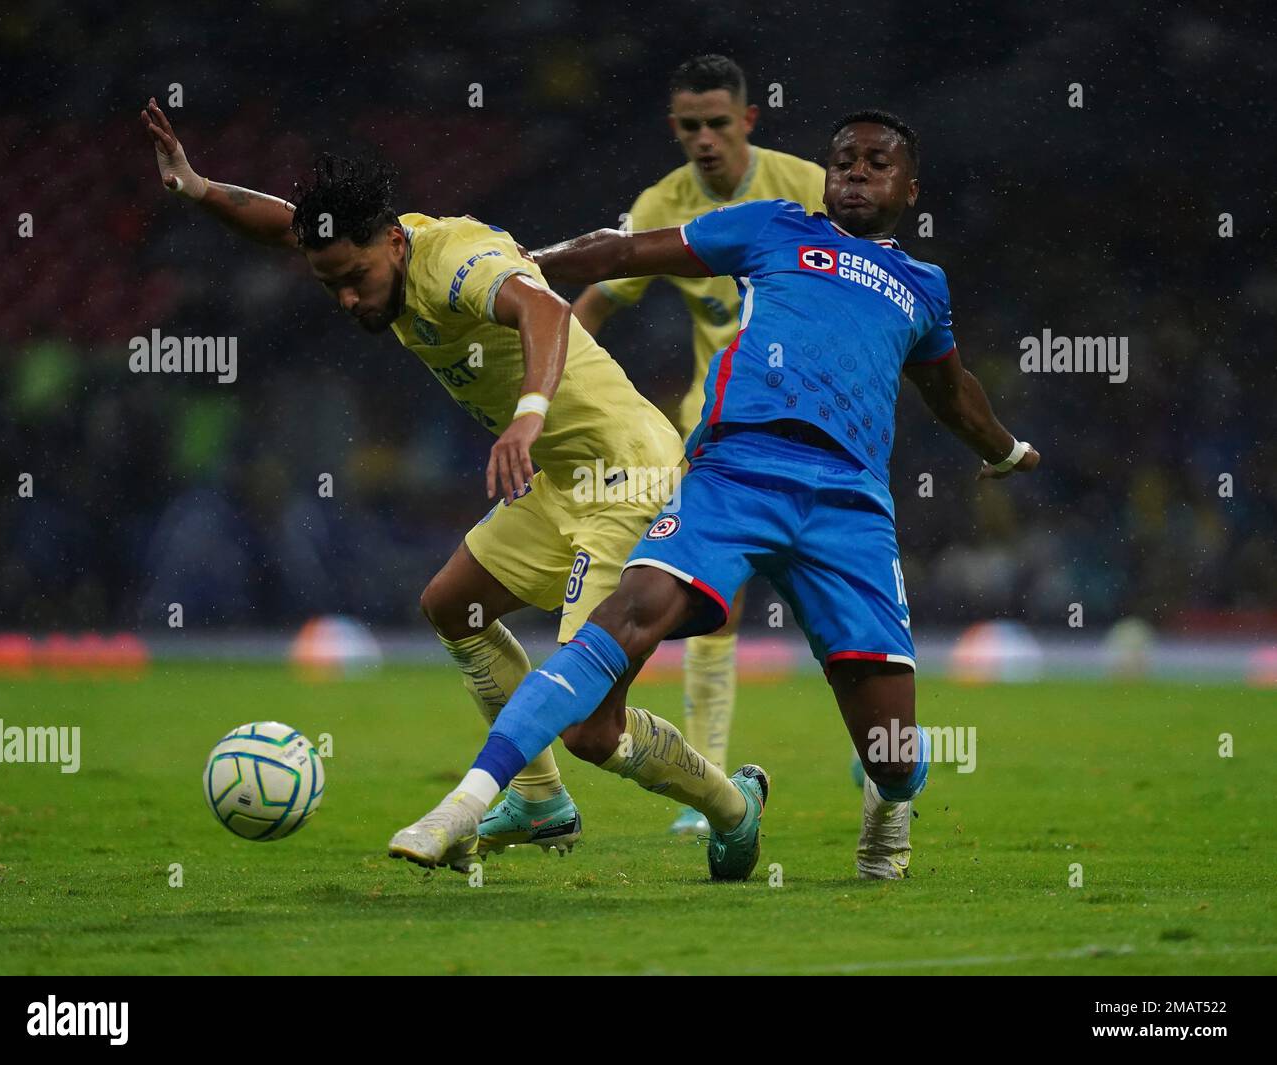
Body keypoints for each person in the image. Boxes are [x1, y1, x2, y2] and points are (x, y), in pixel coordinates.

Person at [390, 110, 1040, 881]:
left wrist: (1005, 450)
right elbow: (627, 251)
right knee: (622, 617)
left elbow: (952, 391)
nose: (856, 174)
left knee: (891, 752)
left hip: (849, 503)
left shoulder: (922, 286)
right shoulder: (772, 228)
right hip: (735, 473)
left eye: (876, 163)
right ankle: (468, 799)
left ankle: (889, 798)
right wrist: (526, 263)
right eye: (842, 162)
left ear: (911, 187)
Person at [140, 98, 764, 868]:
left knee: (593, 729)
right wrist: (199, 187)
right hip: (565, 477)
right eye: (330, 282)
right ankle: (540, 799)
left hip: (626, 473)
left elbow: (543, 306)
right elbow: (288, 225)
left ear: (395, 244)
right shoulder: (372, 254)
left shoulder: (455, 262)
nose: (345, 297)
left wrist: (528, 416)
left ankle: (734, 807)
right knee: (452, 604)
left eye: (356, 277)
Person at [571, 54, 826, 835]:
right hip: (712, 430)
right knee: (716, 602)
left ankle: (890, 737)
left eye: (719, 123)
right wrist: (551, 388)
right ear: (674, 128)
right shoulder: (662, 202)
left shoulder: (809, 187)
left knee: (838, 596)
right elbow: (597, 299)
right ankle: (711, 781)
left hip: (817, 421)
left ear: (749, 120)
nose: (706, 139)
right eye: (691, 126)